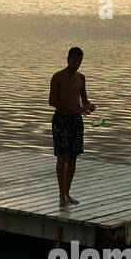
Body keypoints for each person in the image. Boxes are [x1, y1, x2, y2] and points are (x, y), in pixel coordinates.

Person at [49, 46, 96, 205]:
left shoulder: (81, 78)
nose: (77, 64)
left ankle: (68, 194)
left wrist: (88, 106)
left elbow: (84, 99)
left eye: (79, 61)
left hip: (76, 120)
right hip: (61, 120)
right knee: (61, 158)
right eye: (74, 60)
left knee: (73, 157)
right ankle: (61, 195)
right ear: (68, 59)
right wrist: (73, 109)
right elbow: (52, 101)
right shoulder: (57, 77)